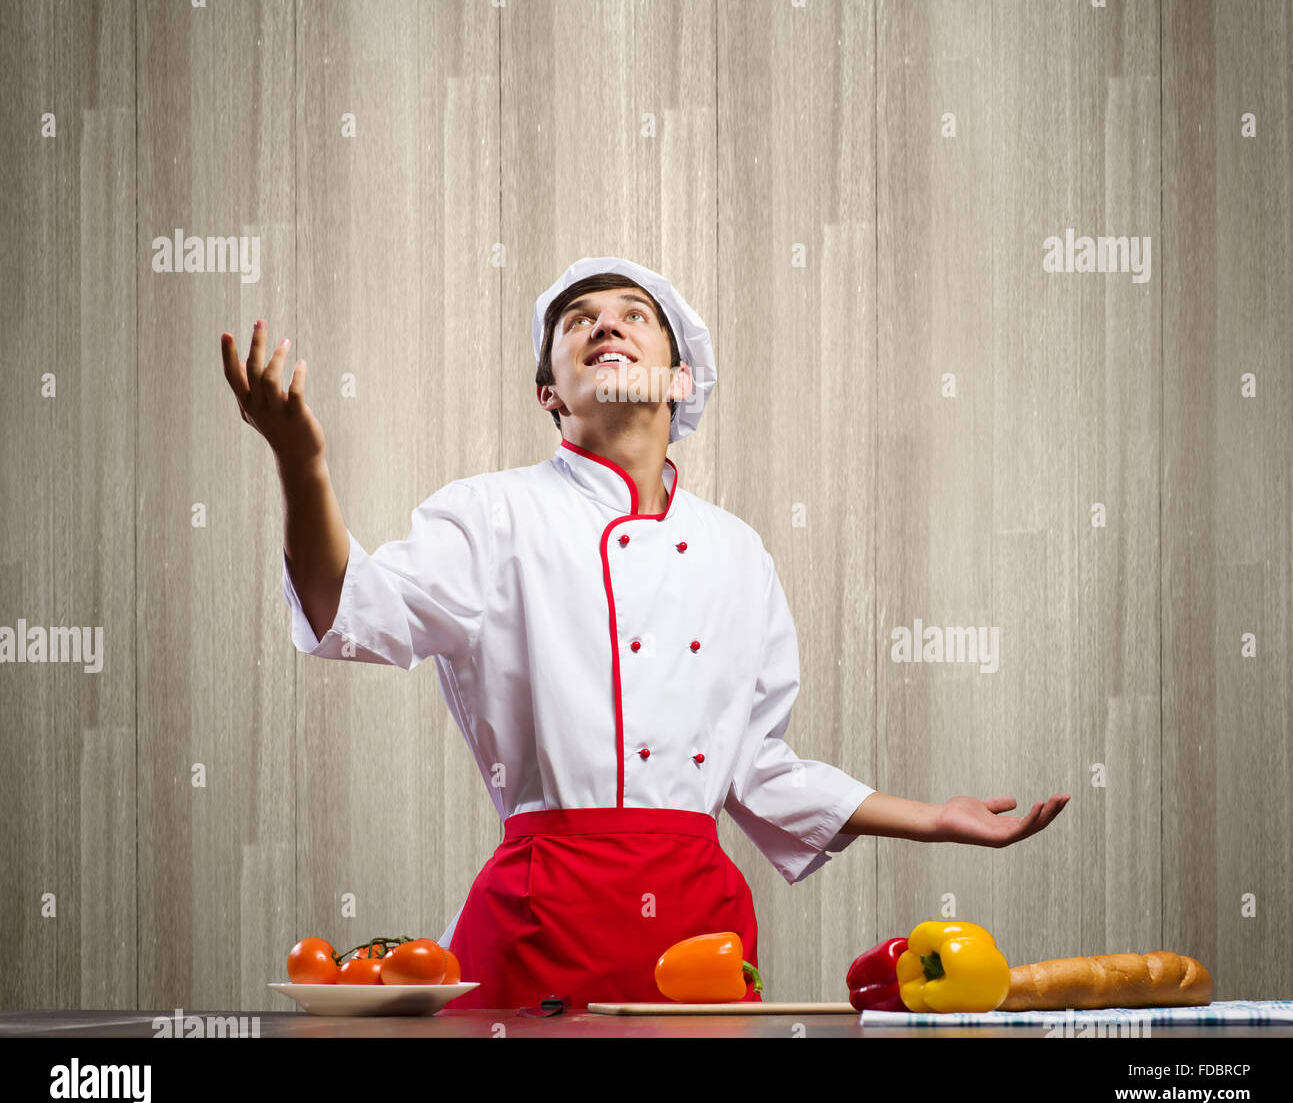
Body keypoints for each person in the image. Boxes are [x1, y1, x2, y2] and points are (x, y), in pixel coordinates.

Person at [220, 256, 1068, 1010]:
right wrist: (303, 466)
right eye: (577, 323)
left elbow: (757, 767)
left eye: (634, 314)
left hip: (697, 929)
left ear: (681, 380)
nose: (604, 325)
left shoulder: (739, 551)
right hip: (539, 914)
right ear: (548, 391)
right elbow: (346, 609)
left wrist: (935, 819)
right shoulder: (491, 513)